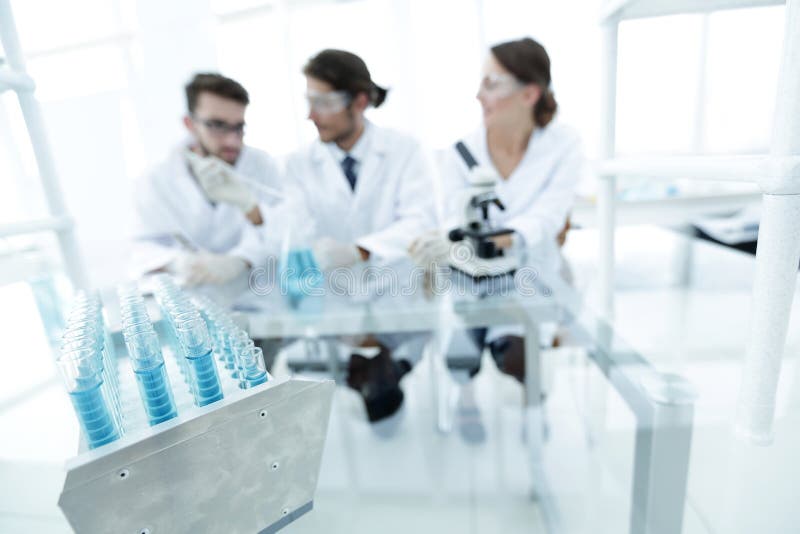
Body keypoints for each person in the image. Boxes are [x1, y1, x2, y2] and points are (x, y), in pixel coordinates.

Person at [410, 37, 585, 385]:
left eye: (491, 84)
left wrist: (500, 240)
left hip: (531, 280)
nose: (478, 95)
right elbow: (454, 215)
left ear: (529, 94)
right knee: (460, 361)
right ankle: (467, 401)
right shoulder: (461, 152)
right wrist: (445, 240)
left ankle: (531, 418)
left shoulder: (563, 145)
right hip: (469, 284)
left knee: (519, 361)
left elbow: (549, 215)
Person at [283, 49, 437, 422]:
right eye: (309, 101)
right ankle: (375, 374)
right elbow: (297, 232)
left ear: (360, 101)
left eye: (323, 102)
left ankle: (384, 373)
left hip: (398, 297)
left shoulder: (403, 150)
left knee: (389, 380)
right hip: (340, 306)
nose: (311, 114)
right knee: (362, 380)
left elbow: (420, 220)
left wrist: (361, 250)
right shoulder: (298, 165)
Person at [131, 72, 281, 285]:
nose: (231, 140)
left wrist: (241, 259)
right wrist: (179, 262)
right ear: (190, 123)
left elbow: (285, 229)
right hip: (194, 297)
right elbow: (143, 247)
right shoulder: (156, 180)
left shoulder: (262, 165)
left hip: (257, 294)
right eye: (217, 126)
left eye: (238, 127)